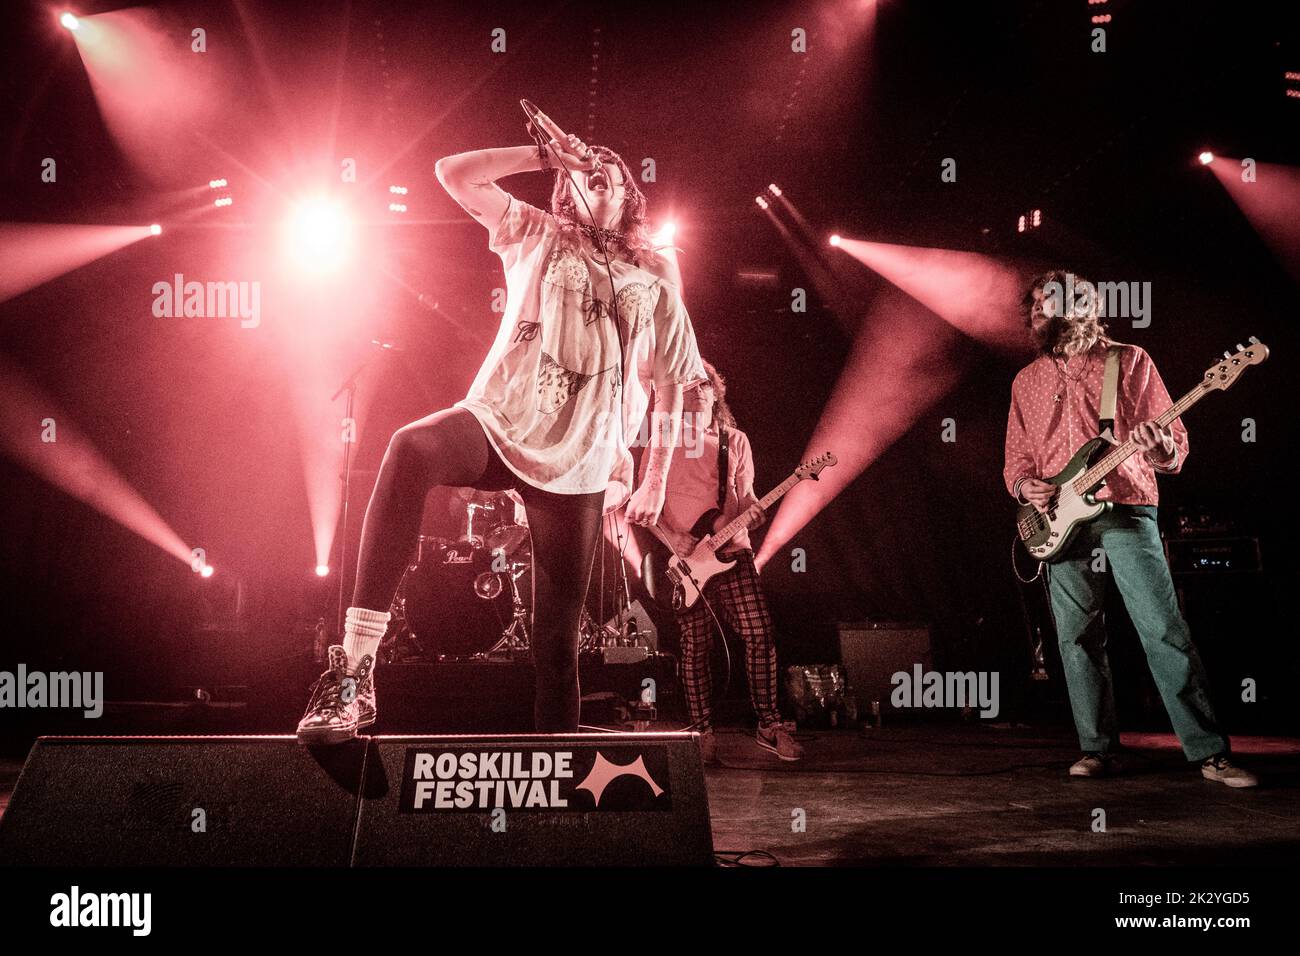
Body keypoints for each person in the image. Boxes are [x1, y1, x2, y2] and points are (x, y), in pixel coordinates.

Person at [297, 122, 706, 743]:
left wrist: (653, 475)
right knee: (411, 446)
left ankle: (557, 787)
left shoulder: (654, 278)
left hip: (584, 455)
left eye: (610, 170)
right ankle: (353, 675)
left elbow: (675, 377)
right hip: (501, 419)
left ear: (627, 195)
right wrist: (545, 154)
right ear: (566, 190)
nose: (598, 170)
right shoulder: (535, 231)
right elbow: (452, 172)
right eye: (585, 169)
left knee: (556, 643)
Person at [1004, 270, 1256, 787]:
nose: (1035, 310)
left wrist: (1157, 442)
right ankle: (1097, 748)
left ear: (1079, 305)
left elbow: (1174, 447)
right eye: (1031, 304)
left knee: (1161, 629)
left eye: (1046, 301)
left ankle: (1210, 753)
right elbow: (1016, 459)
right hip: (1059, 521)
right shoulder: (1025, 381)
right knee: (1076, 639)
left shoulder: (1127, 359)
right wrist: (1025, 486)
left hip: (1125, 507)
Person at [642, 360, 803, 763]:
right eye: (689, 383)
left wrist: (755, 509)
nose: (696, 388)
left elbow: (746, 494)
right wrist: (674, 538)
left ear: (716, 393)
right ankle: (701, 732)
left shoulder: (736, 440)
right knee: (695, 648)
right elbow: (641, 504)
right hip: (686, 561)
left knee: (760, 633)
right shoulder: (663, 440)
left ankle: (769, 724)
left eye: (704, 383)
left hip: (734, 551)